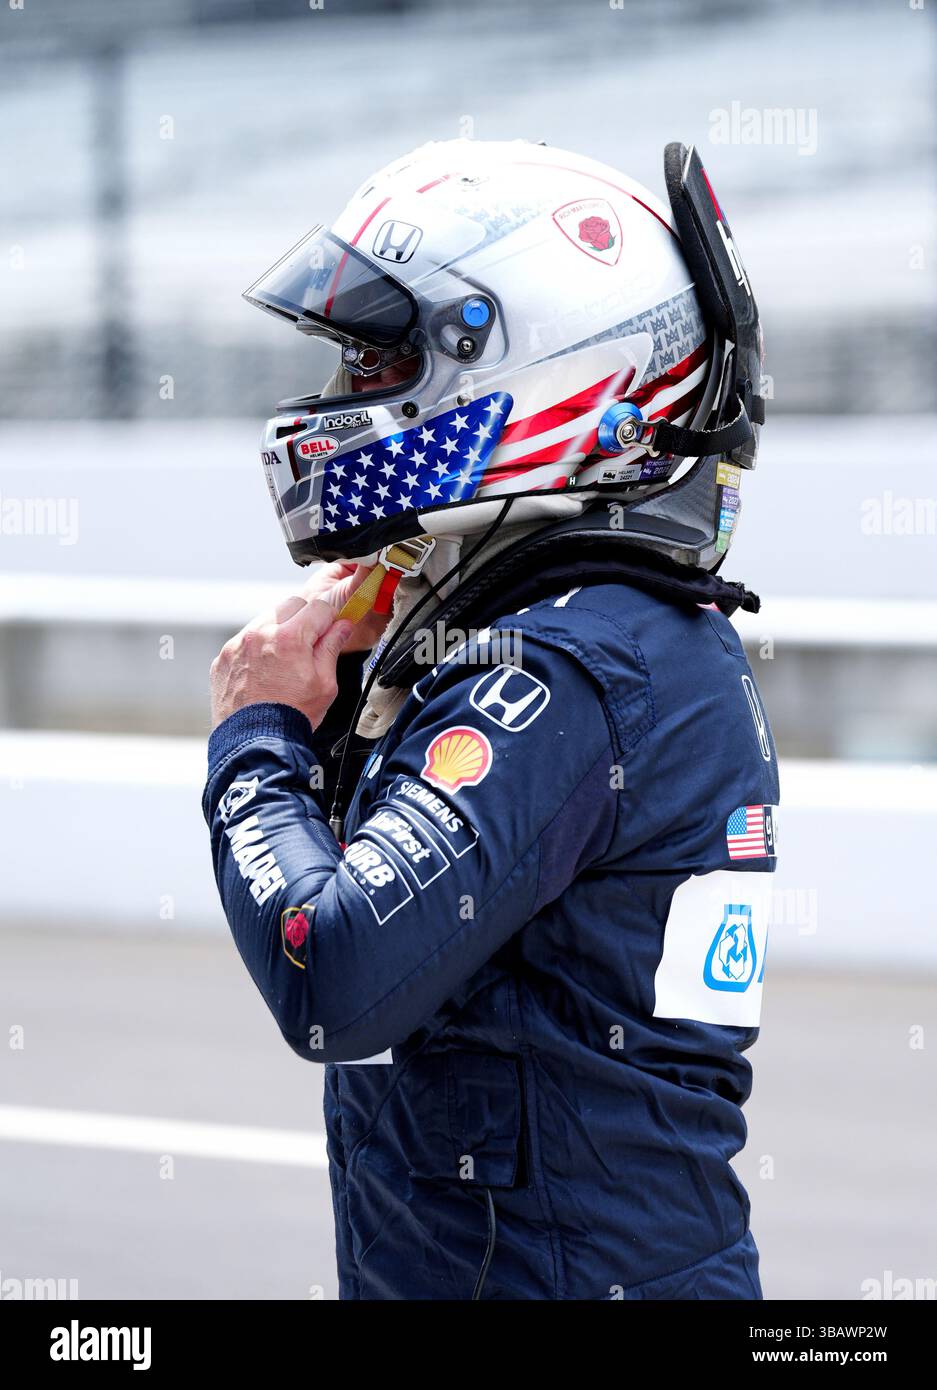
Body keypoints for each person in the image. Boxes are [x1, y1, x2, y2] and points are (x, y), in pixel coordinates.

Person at [205, 138, 778, 1300]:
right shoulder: (606, 633)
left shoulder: (566, 669)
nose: (337, 405)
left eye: (378, 362)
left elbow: (334, 976)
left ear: (540, 361)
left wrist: (255, 738)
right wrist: (350, 714)